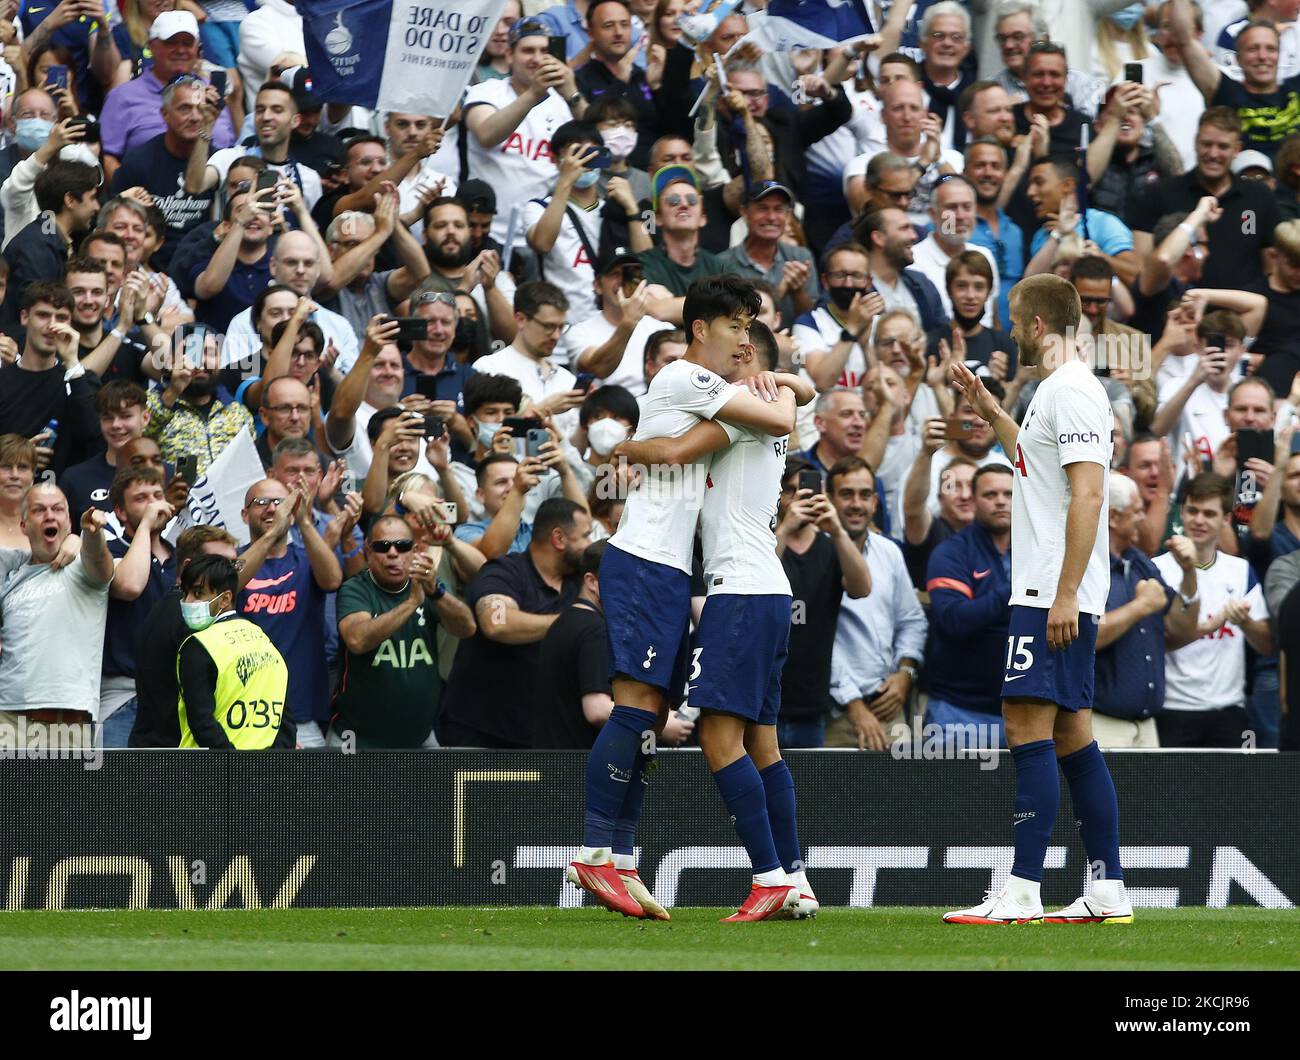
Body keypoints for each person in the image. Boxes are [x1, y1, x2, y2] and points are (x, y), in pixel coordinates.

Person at [565, 276, 811, 921]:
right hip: (645, 558)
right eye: (733, 325)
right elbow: (778, 415)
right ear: (700, 329)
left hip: (674, 570)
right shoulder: (684, 376)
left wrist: (626, 446)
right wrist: (780, 386)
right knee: (636, 708)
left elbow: (787, 402)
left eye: (749, 328)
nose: (742, 339)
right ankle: (594, 853)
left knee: (648, 717)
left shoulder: (726, 393)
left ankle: (622, 858)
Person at [945, 273, 1128, 926]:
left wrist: (1066, 593)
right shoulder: (1059, 391)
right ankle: (1107, 889)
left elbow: (1087, 495)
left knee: (1025, 726)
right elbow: (1034, 462)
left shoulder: (1074, 390)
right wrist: (989, 407)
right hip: (1056, 586)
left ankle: (1022, 890)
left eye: (1015, 321)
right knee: (1073, 735)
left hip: (1052, 589)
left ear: (1040, 325)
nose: (1011, 330)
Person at [438, 498, 591, 748]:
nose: (589, 544)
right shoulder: (503, 572)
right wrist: (571, 623)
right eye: (584, 536)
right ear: (559, 539)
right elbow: (496, 623)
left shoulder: (580, 582)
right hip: (481, 733)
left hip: (543, 733)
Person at [331, 515, 476, 749]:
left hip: (419, 738)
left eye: (402, 546)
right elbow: (357, 640)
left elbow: (467, 628)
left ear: (415, 550)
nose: (392, 553)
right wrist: (411, 603)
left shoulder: (428, 585)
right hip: (358, 740)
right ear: (368, 551)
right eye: (382, 546)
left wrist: (437, 594)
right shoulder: (356, 588)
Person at [1153, 472, 1275, 746]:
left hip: (1229, 709)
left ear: (1225, 520)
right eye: (1192, 511)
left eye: (1209, 513)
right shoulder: (1157, 568)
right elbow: (1154, 642)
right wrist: (1211, 624)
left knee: (1233, 790)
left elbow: (1266, 644)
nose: (1198, 520)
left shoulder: (1240, 570)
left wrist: (1245, 622)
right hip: (1173, 707)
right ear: (1181, 513)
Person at [767, 458, 873, 749]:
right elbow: (757, 585)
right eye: (790, 490)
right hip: (763, 702)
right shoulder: (764, 542)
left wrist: (837, 530)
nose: (800, 497)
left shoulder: (831, 545)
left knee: (806, 792)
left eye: (807, 490)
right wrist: (786, 529)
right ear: (776, 494)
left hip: (811, 705)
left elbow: (862, 588)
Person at [824, 455, 928, 750]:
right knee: (824, 795)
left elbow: (912, 620)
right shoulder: (814, 552)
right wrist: (853, 704)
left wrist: (905, 674)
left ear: (875, 502)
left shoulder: (889, 552)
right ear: (829, 499)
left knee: (899, 796)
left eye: (865, 495)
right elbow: (812, 641)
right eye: (846, 494)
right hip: (832, 713)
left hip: (888, 706)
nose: (856, 504)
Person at [0, 485, 115, 749]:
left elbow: (99, 562)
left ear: (69, 521)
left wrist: (90, 534)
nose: (50, 516)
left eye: (57, 509)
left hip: (65, 720)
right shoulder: (11, 575)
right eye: (39, 510)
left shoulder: (82, 566)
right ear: (24, 526)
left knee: (62, 793)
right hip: (6, 715)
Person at [1093, 475, 1201, 748]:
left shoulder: (1139, 561)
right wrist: (1139, 607)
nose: (1143, 518)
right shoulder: (1087, 565)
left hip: (1147, 726)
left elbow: (1183, 629)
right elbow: (1085, 637)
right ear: (1114, 518)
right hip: (1101, 723)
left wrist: (1189, 572)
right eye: (1137, 511)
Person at [463, 16, 587, 251]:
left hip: (545, 233)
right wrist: (533, 94)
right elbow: (486, 134)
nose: (537, 59)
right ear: (509, 55)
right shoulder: (487, 91)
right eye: (528, 50)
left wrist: (573, 94)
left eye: (544, 51)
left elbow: (597, 141)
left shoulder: (563, 102)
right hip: (489, 233)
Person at [238, 478, 342, 746]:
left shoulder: (307, 558)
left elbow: (332, 580)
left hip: (300, 713)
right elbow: (228, 583)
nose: (272, 509)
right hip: (243, 712)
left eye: (280, 503)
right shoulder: (232, 562)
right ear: (244, 514)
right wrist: (274, 533)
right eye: (261, 502)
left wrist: (303, 522)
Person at [924, 464, 1015, 749]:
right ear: (974, 500)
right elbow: (955, 619)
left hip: (1026, 711)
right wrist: (1020, 590)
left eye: (1009, 493)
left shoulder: (1039, 550)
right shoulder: (951, 552)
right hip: (959, 711)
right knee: (953, 794)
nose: (1000, 500)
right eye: (990, 494)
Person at [524, 121, 650, 320]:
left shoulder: (613, 209)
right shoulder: (539, 208)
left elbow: (647, 261)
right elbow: (542, 243)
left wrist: (632, 209)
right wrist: (565, 179)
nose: (586, 159)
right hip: (564, 326)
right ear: (557, 160)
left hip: (615, 320)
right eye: (577, 153)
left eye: (593, 153)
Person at [98, 12, 237, 180]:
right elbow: (108, 157)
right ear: (151, 46)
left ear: (198, 49)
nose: (180, 50)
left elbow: (231, 149)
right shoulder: (123, 96)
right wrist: (127, 193)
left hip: (210, 195)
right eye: (171, 43)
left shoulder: (214, 93)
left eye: (187, 43)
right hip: (145, 198)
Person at [176, 554, 292, 749]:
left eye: (198, 593)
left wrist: (234, 768)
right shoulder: (264, 640)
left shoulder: (198, 645)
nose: (187, 601)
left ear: (225, 599)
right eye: (185, 593)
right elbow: (286, 718)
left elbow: (202, 722)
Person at [99, 466, 177, 746]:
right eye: (141, 498)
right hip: (124, 696)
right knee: (115, 789)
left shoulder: (182, 559)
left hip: (176, 700)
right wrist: (144, 526)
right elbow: (130, 585)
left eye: (158, 495)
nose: (154, 504)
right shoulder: (111, 551)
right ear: (120, 511)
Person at [107, 74, 217, 272]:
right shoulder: (138, 160)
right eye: (185, 108)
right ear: (164, 113)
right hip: (147, 266)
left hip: (201, 265)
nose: (195, 117)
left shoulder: (216, 161)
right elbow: (110, 218)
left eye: (201, 109)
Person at [1172, 0, 1300, 157]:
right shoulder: (1226, 93)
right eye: (1253, 49)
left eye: (1271, 49)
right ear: (1238, 58)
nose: (1262, 56)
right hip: (1245, 177)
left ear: (1279, 55)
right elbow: (1183, 41)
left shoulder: (1295, 88)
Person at [535, 539, 627, 749]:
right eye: (622, 580)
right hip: (577, 767)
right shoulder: (595, 631)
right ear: (592, 582)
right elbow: (597, 709)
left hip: (552, 762)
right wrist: (657, 722)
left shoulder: (563, 622)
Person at [472, 282, 585, 441]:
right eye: (549, 326)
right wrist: (545, 408)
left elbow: (575, 453)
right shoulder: (488, 368)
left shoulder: (567, 380)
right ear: (521, 319)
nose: (556, 336)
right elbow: (485, 437)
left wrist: (586, 422)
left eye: (561, 327)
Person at [0, 160, 100, 331]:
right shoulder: (38, 247)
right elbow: (38, 315)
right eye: (92, 198)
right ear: (70, 200)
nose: (97, 206)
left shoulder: (48, 238)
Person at [144, 323, 254, 475]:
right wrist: (173, 391)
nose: (200, 362)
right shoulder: (148, 404)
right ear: (170, 361)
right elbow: (136, 438)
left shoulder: (237, 412)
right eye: (190, 352)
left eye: (209, 353)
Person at [559, 245, 668, 393]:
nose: (622, 281)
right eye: (614, 274)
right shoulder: (579, 332)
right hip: (607, 410)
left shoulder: (662, 329)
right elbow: (597, 368)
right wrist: (629, 322)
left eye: (629, 273)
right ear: (598, 285)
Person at [718, 181, 820, 331]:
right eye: (762, 208)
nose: (771, 217)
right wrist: (781, 290)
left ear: (788, 215)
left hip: (794, 347)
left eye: (779, 209)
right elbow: (726, 322)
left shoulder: (800, 256)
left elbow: (810, 321)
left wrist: (798, 291)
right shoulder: (722, 264)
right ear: (744, 213)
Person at [793, 242, 886, 392]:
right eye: (840, 275)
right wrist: (852, 330)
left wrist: (865, 347)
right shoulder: (809, 323)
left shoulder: (881, 324)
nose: (848, 284)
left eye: (857, 276)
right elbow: (822, 382)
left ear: (868, 282)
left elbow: (885, 390)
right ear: (825, 281)